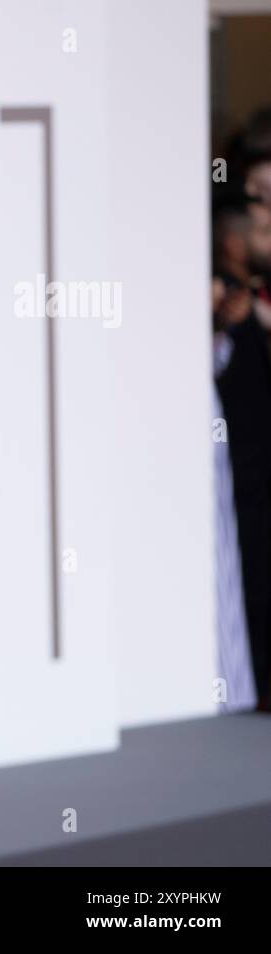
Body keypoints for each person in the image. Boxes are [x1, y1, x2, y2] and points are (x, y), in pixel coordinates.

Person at [213, 185, 271, 710]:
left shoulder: (250, 306)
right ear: (233, 241)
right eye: (260, 229)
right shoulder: (224, 307)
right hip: (241, 479)